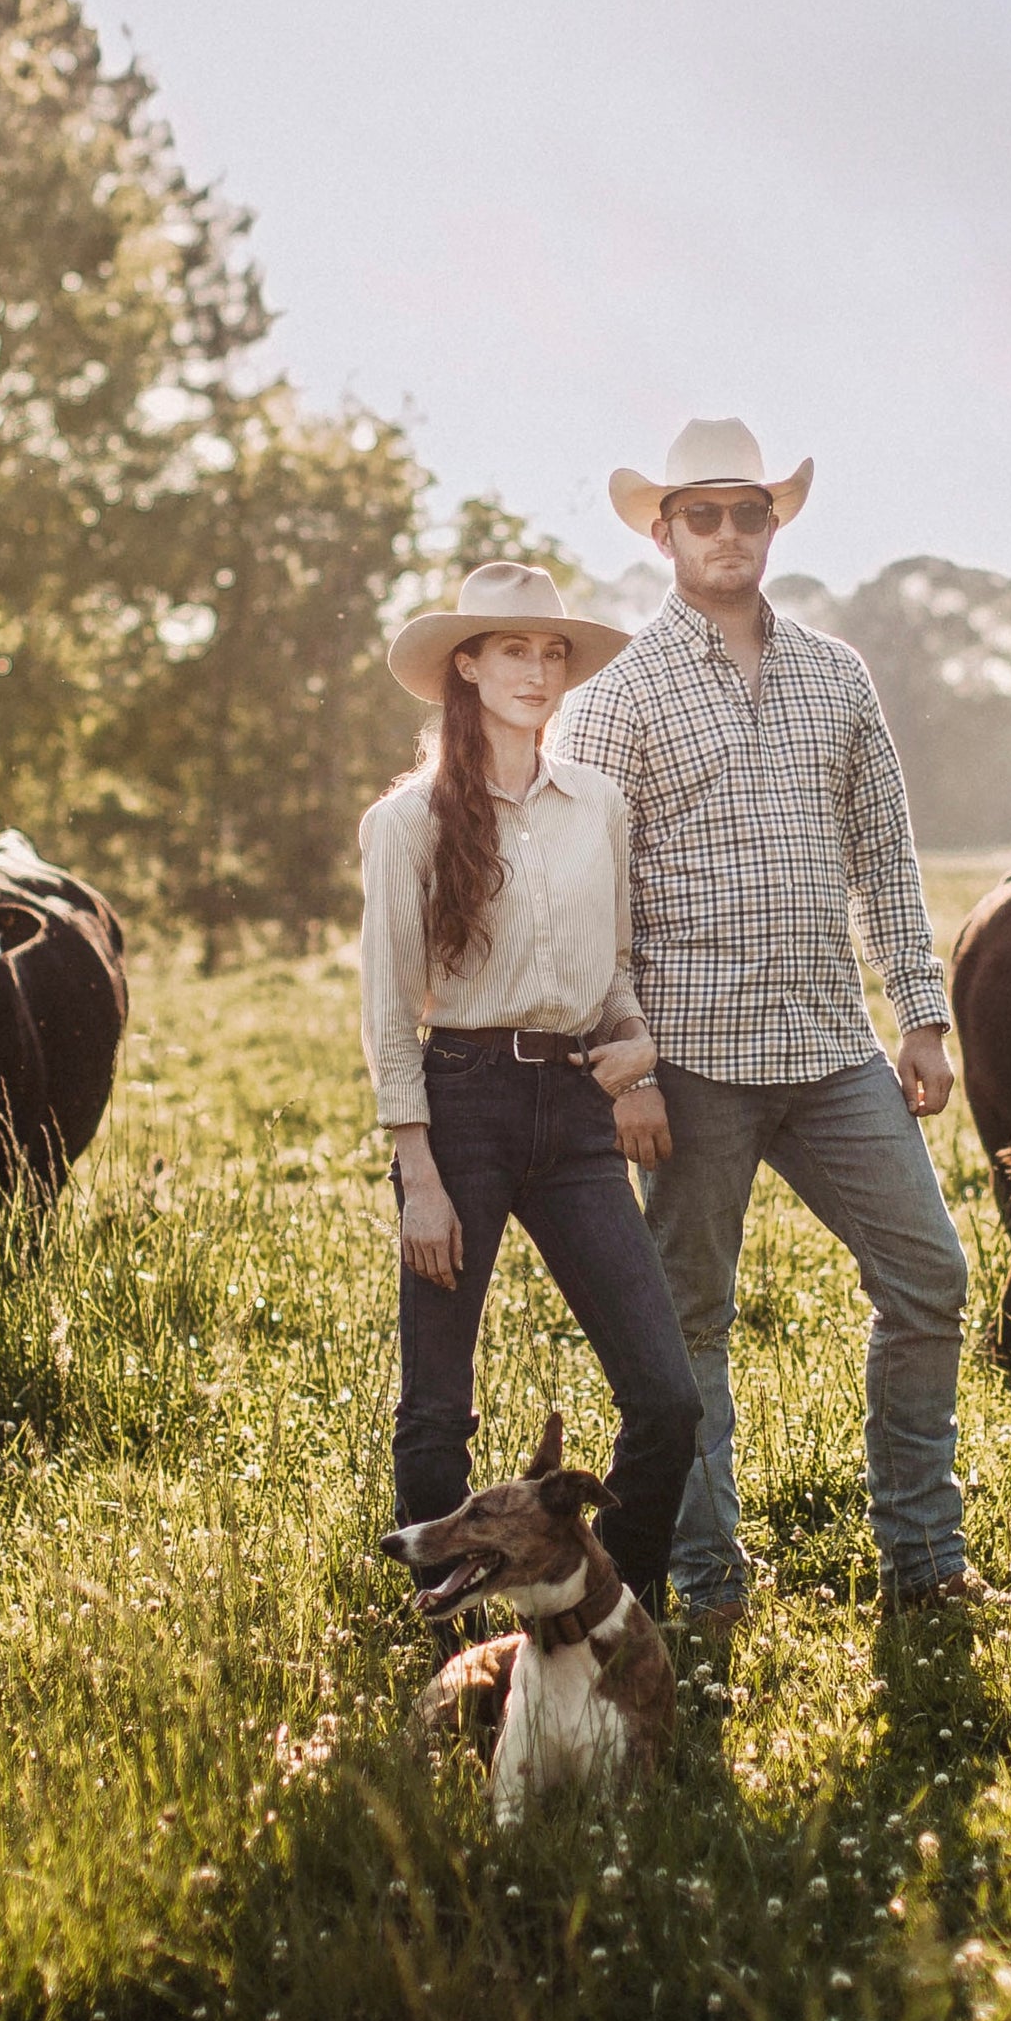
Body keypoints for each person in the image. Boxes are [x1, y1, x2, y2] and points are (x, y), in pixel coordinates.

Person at [551, 417, 1000, 1628]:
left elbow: (882, 855)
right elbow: (596, 897)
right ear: (664, 531)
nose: (729, 534)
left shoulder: (837, 674)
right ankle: (709, 1583)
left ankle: (922, 1559)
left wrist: (919, 1015)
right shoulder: (618, 696)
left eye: (749, 512)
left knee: (928, 1276)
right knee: (688, 1324)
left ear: (771, 524)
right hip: (689, 1062)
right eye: (704, 514)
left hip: (831, 1046)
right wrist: (622, 1064)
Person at [360, 561, 701, 1603]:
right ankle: (449, 1632)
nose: (539, 669)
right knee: (435, 1408)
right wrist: (417, 1171)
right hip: (461, 1106)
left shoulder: (596, 802)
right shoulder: (408, 822)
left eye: (553, 651)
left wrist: (634, 1047)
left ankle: (615, 1613)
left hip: (577, 1115)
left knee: (667, 1400)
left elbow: (615, 967)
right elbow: (387, 1009)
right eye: (513, 648)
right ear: (465, 666)